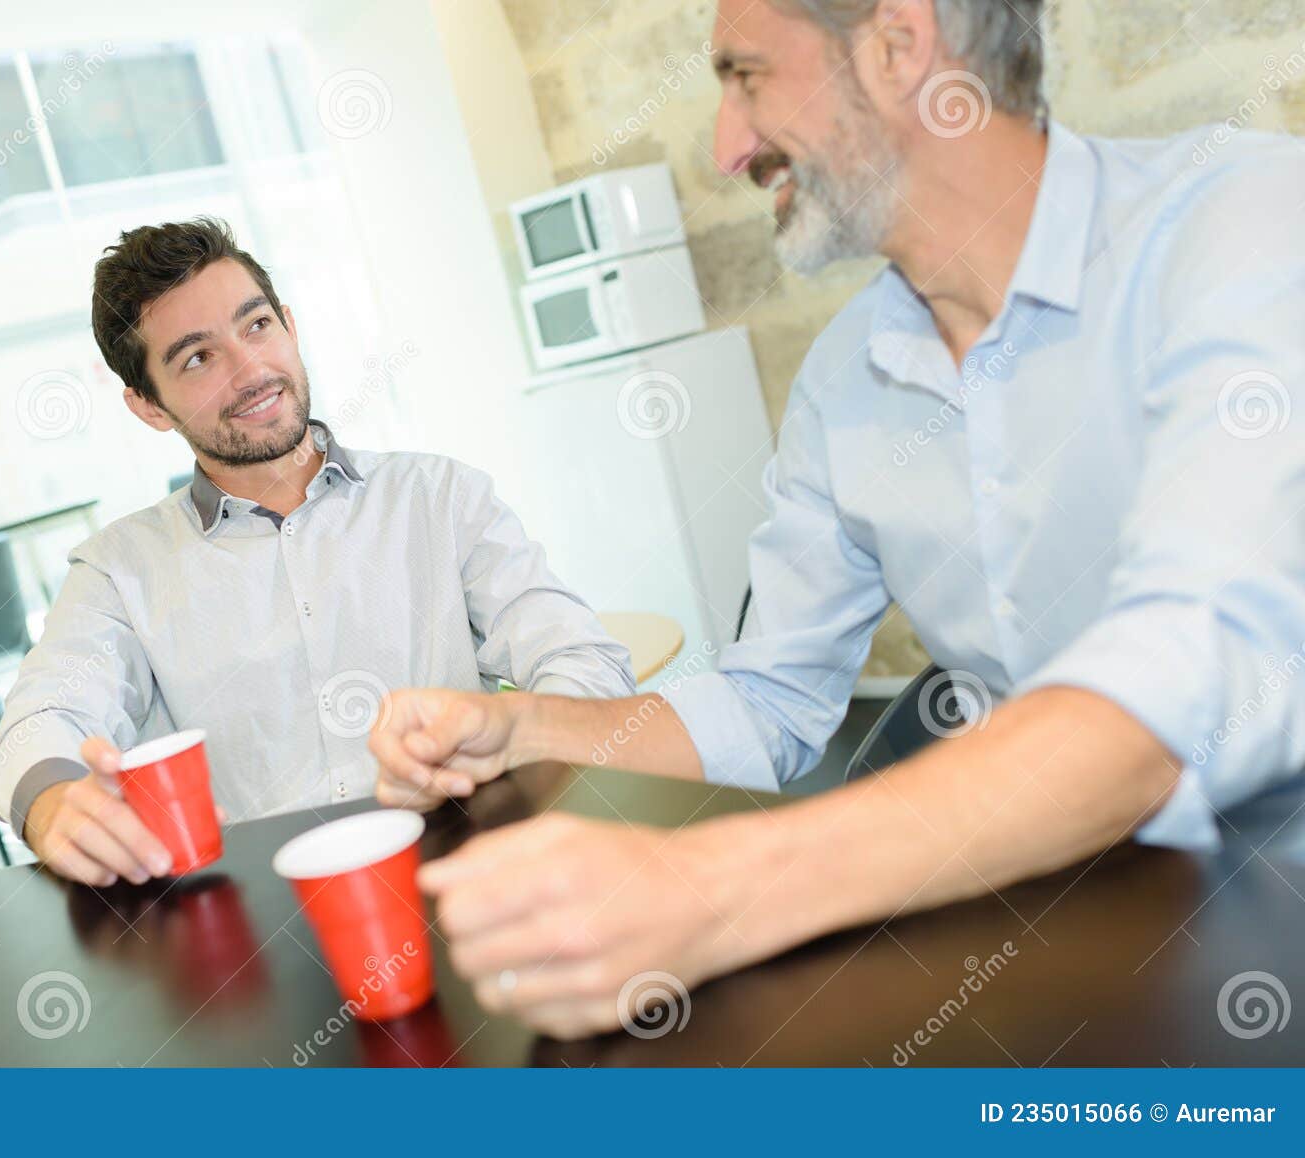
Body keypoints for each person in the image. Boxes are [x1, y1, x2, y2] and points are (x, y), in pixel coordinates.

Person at [371, 0, 1305, 1038]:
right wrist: (525, 726)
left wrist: (710, 890)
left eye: (746, 75)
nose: (726, 149)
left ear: (898, 45)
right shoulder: (842, 383)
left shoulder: (1244, 224)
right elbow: (767, 707)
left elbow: (1178, 677)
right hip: (1050, 917)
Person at [0, 217, 634, 887]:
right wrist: (56, 801)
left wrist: (518, 747)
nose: (251, 369)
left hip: (475, 882)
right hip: (259, 930)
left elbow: (582, 659)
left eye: (257, 325)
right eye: (198, 357)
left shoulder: (441, 498)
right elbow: (43, 720)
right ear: (148, 405)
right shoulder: (119, 571)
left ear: (290, 326)